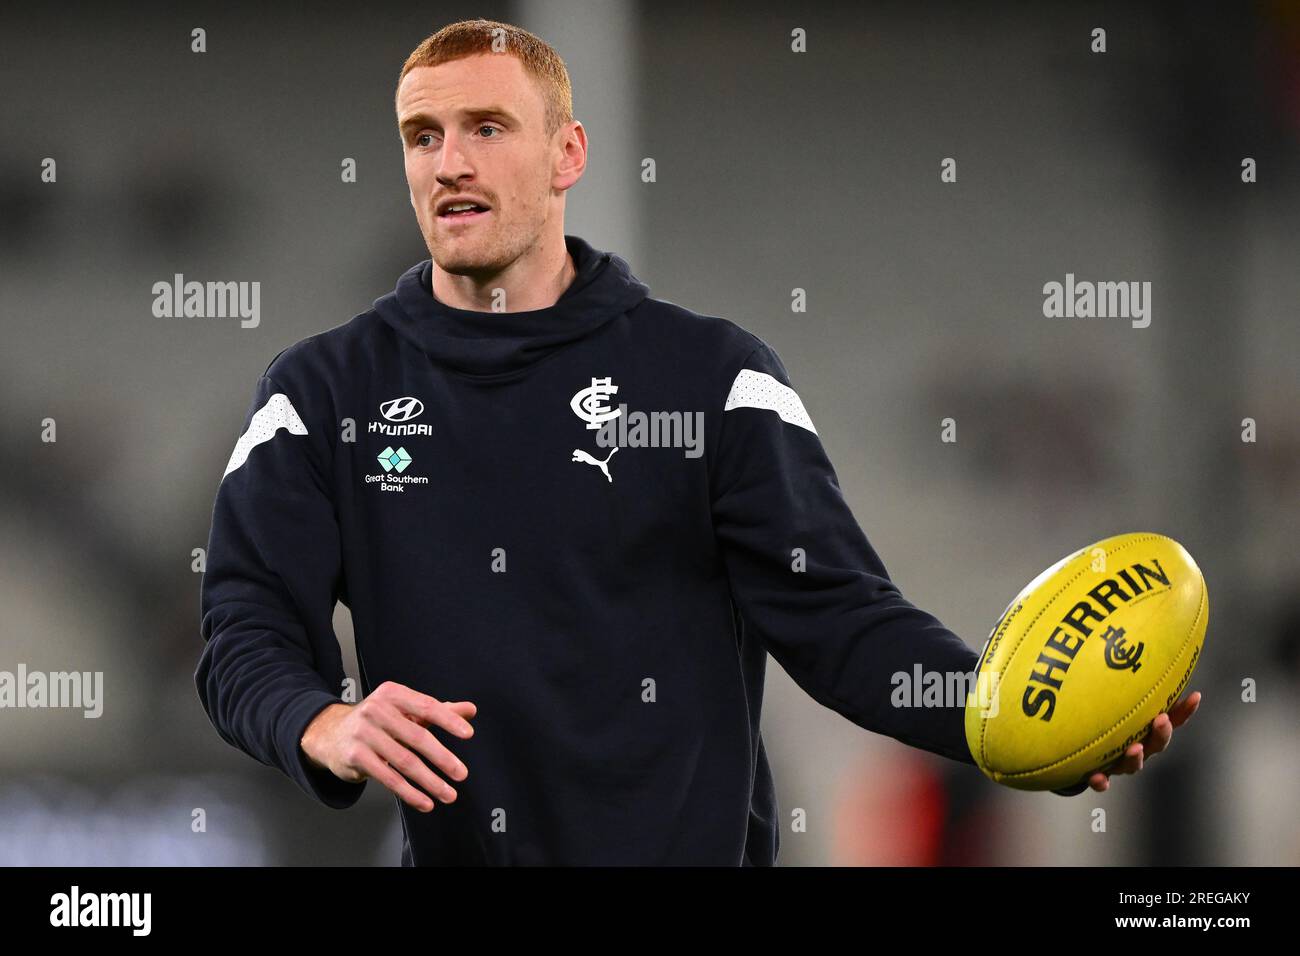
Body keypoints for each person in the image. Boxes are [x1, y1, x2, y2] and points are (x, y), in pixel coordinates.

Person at [194, 17, 1198, 866]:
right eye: (422, 135)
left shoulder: (716, 378)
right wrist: (319, 720)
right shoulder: (324, 392)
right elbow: (245, 623)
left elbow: (841, 618)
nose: (448, 161)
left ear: (567, 154)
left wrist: (1011, 718)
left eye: (486, 127)